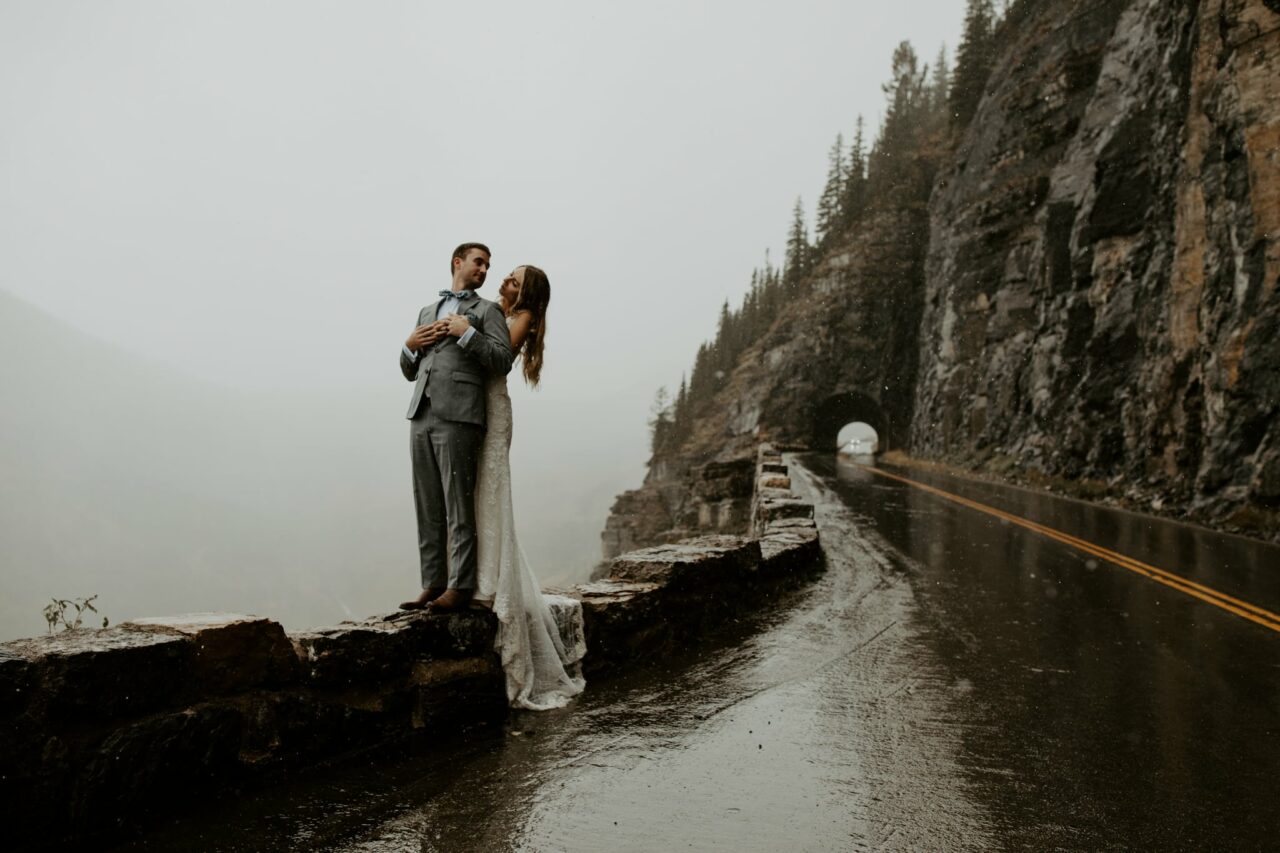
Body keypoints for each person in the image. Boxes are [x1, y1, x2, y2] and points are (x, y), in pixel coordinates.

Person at [472, 264, 586, 709]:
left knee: (492, 496)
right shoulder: (501, 310)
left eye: (514, 281)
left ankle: (492, 583)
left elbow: (496, 356)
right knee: (481, 495)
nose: (505, 281)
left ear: (527, 293)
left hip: (493, 411)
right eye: (509, 276)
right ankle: (483, 574)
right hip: (478, 407)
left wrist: (469, 327)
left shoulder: (521, 318)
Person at [399, 243, 513, 613]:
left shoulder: (488, 310)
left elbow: (502, 360)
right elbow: (409, 369)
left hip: (461, 414)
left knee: (458, 504)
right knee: (427, 502)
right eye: (479, 262)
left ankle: (460, 585)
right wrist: (409, 346)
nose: (484, 269)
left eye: (488, 265)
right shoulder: (426, 310)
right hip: (422, 411)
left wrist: (467, 332)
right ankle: (432, 583)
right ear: (458, 262)